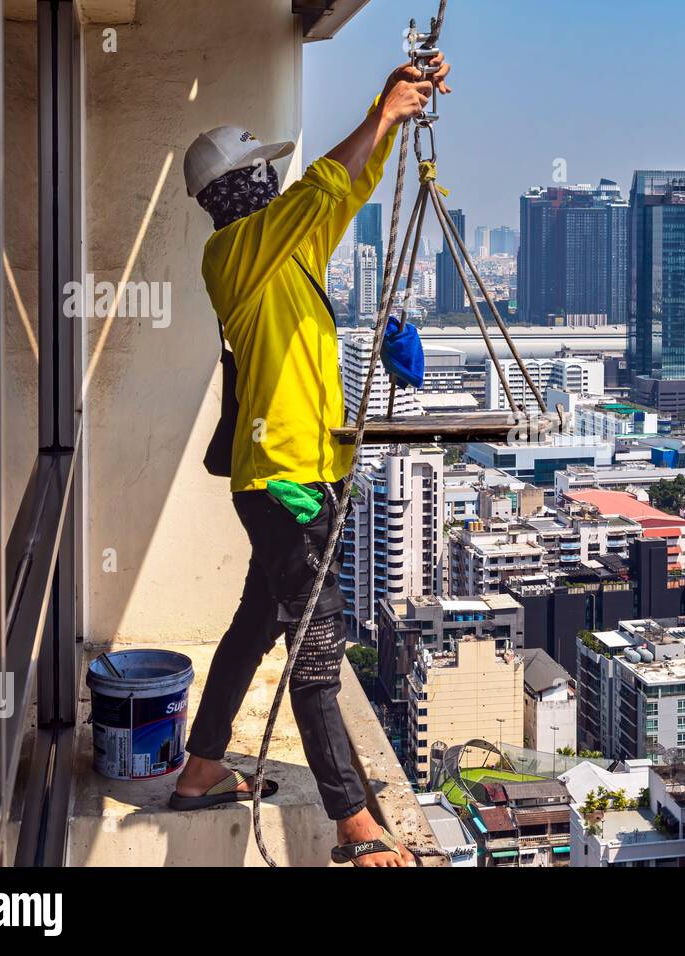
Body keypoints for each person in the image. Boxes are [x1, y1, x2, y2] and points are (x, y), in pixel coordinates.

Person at [171, 56, 451, 867]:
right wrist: (383, 111)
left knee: (255, 626)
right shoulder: (236, 256)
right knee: (318, 648)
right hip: (284, 483)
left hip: (305, 474)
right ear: (238, 193)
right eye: (257, 175)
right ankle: (353, 822)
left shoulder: (287, 252)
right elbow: (320, 188)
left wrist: (393, 116)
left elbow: (347, 191)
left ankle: (200, 767)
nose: (266, 185)